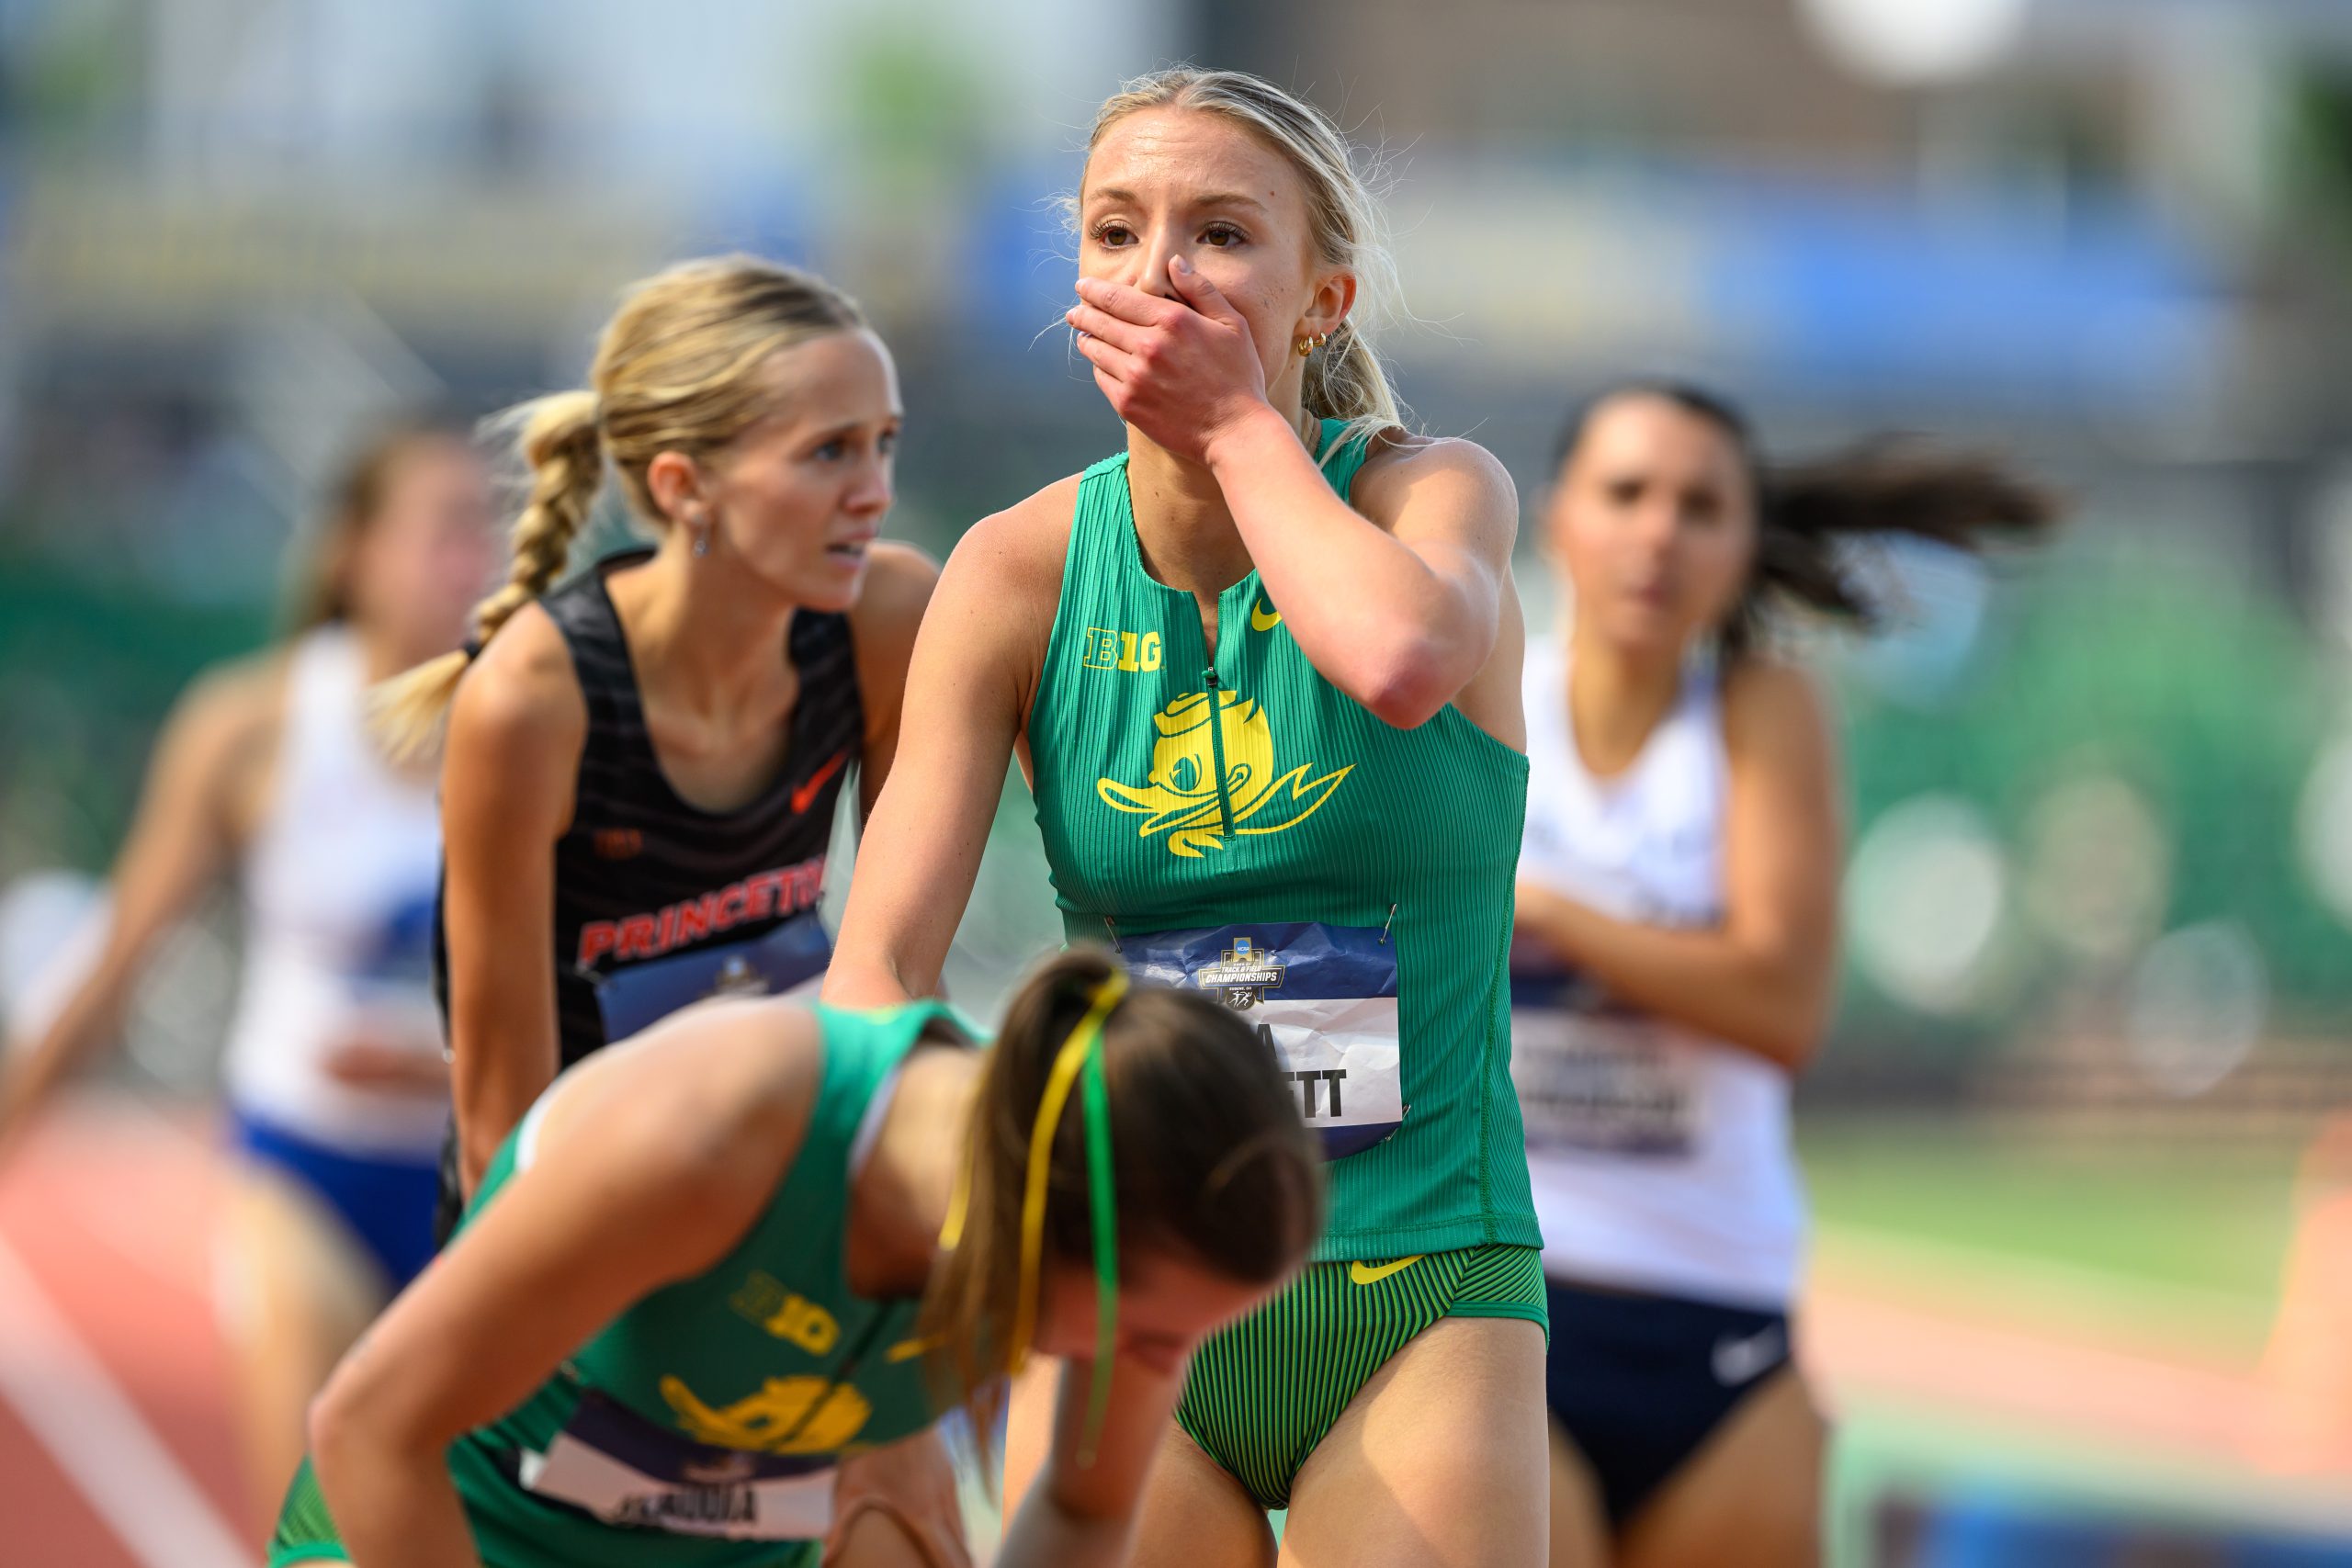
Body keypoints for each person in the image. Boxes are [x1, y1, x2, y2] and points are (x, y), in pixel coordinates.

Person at [827, 67, 1548, 1567]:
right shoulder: (1014, 575)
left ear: (1320, 299)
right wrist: (913, 1295)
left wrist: (1235, 432)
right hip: (1120, 1278)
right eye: (1114, 232)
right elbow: (874, 979)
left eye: (1220, 233)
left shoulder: (1437, 499)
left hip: (1415, 1277)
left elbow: (1405, 660)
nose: (1158, 271)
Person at [266, 949, 1323, 1568]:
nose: (1162, 1366)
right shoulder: (717, 1135)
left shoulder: (1097, 1220)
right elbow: (370, 1429)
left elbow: (1089, 1510)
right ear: (1044, 1226)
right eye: (1150, 1333)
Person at [1513, 380, 2055, 1567]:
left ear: (1745, 544)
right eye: (1626, 493)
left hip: (1723, 1319)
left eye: (1701, 505)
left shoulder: (1764, 709)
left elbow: (1778, 1005)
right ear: (1557, 518)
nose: (1659, 530)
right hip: (1507, 1299)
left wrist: (1549, 914)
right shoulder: (1484, 701)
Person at [0, 422, 500, 1529]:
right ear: (350, 554)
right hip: (302, 1173)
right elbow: (121, 958)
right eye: (445, 529)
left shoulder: (531, 725)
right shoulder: (252, 727)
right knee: (319, 1524)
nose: (476, 560)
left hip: (473, 1189)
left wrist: (437, 1072)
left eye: (491, 529)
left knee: (456, 1532)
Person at [372, 256, 936, 1228]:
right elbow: (499, 1126)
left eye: (883, 445)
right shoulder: (532, 701)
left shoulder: (884, 620)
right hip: (567, 1224)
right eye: (829, 452)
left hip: (778, 1198)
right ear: (685, 487)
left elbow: (897, 984)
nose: (874, 492)